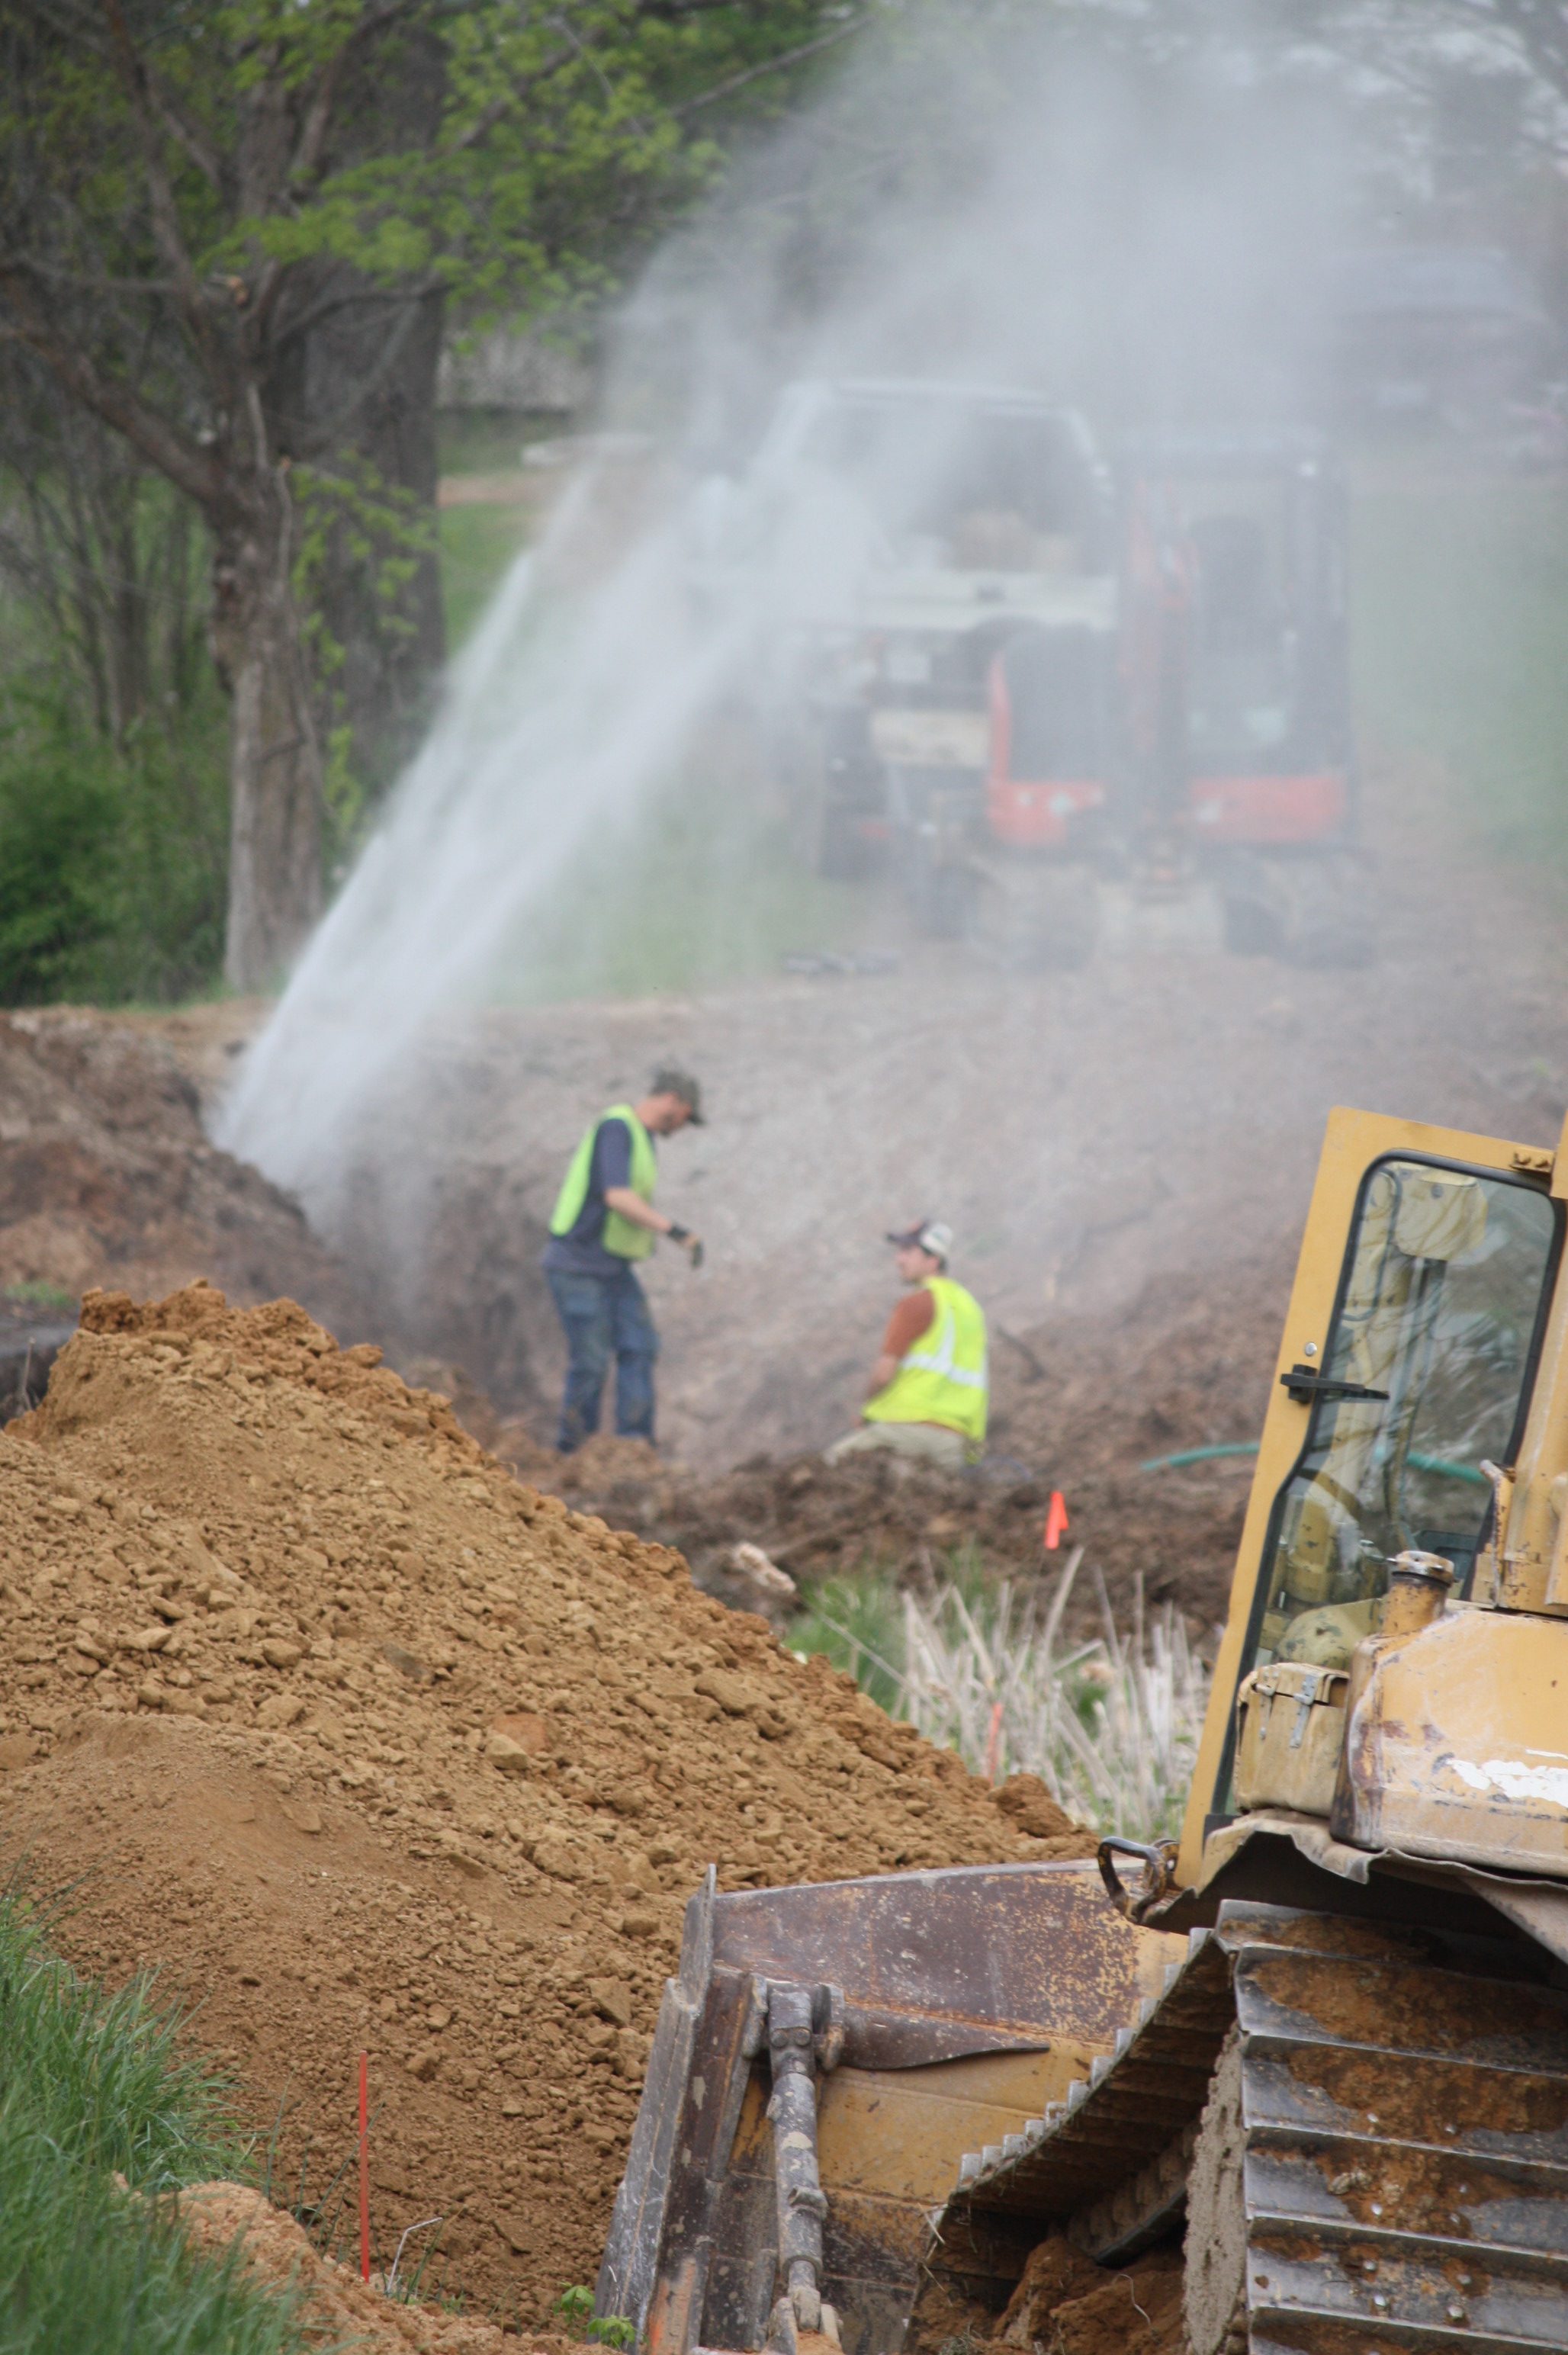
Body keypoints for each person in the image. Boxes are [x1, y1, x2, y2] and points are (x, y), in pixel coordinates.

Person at [543, 1069, 705, 1453]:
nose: (683, 1126)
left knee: (640, 1346)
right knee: (592, 1361)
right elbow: (617, 1196)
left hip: (612, 1266)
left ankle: (635, 1446)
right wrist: (676, 1232)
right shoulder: (618, 1128)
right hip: (577, 1263)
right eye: (687, 1115)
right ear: (673, 1101)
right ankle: (576, 1451)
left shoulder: (642, 1138)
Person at [825, 1219, 988, 1472]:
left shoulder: (917, 1304)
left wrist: (866, 1412)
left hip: (906, 1431)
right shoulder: (971, 1309)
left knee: (829, 1466)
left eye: (908, 1252)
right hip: (955, 1443)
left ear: (933, 1260)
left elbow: (884, 1374)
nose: (899, 1260)